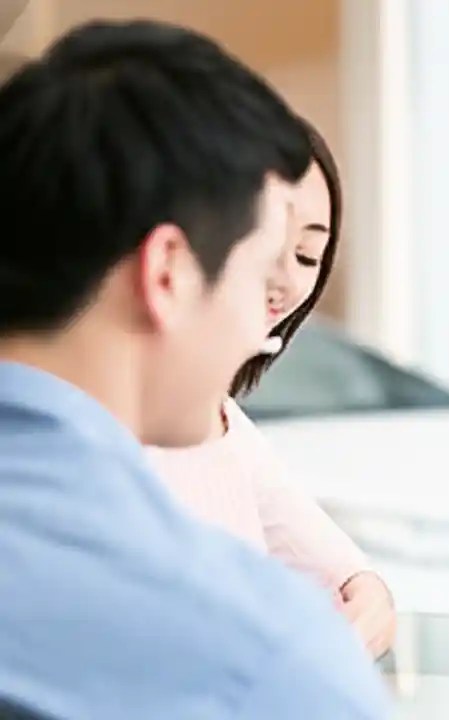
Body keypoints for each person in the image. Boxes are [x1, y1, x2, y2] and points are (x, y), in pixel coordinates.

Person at [0, 19, 388, 718]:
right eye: (258, 270)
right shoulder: (257, 652)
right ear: (168, 272)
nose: (263, 320)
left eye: (305, 259)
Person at [146, 119, 397, 660]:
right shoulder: (99, 424)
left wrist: (350, 631)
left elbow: (355, 586)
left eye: (307, 256)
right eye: (263, 243)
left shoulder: (222, 421)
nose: (285, 279)